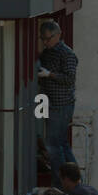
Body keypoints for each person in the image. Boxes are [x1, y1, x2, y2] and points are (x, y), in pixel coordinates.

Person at [37, 19, 79, 178]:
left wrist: (49, 74)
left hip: (60, 105)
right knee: (60, 143)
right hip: (45, 101)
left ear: (58, 35)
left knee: (53, 145)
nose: (46, 42)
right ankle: (73, 178)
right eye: (43, 39)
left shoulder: (66, 54)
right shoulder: (47, 53)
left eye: (48, 38)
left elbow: (69, 78)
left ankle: (62, 181)